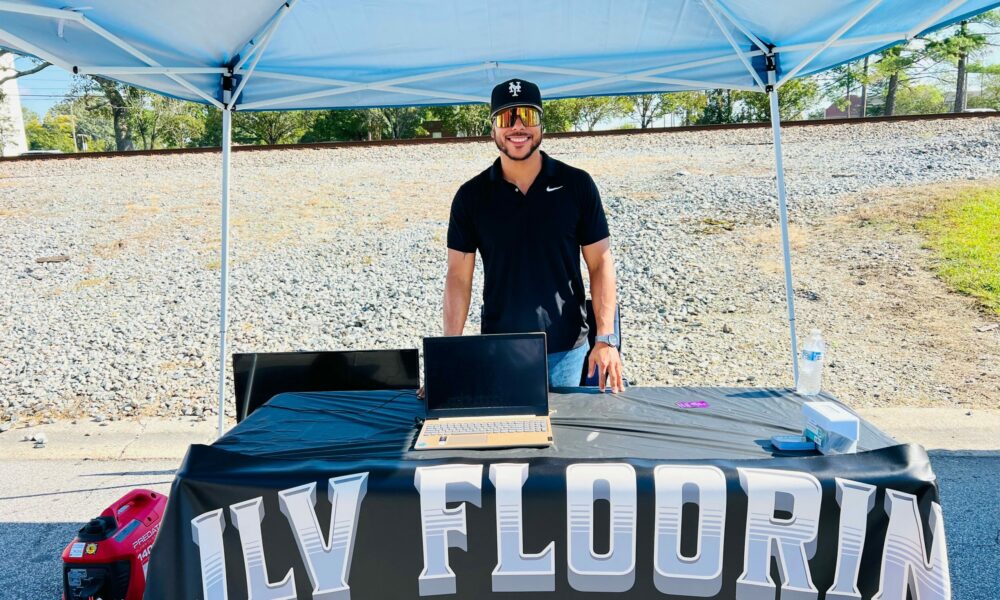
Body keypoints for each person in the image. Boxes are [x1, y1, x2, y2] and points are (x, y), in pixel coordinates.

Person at [443, 78, 624, 392]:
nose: (517, 126)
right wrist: (449, 353)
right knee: (508, 424)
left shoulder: (577, 185)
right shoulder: (471, 197)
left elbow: (600, 264)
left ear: (541, 125)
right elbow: (458, 277)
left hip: (567, 349)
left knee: (568, 425)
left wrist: (606, 338)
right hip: (500, 349)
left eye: (527, 115)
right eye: (506, 118)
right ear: (492, 129)